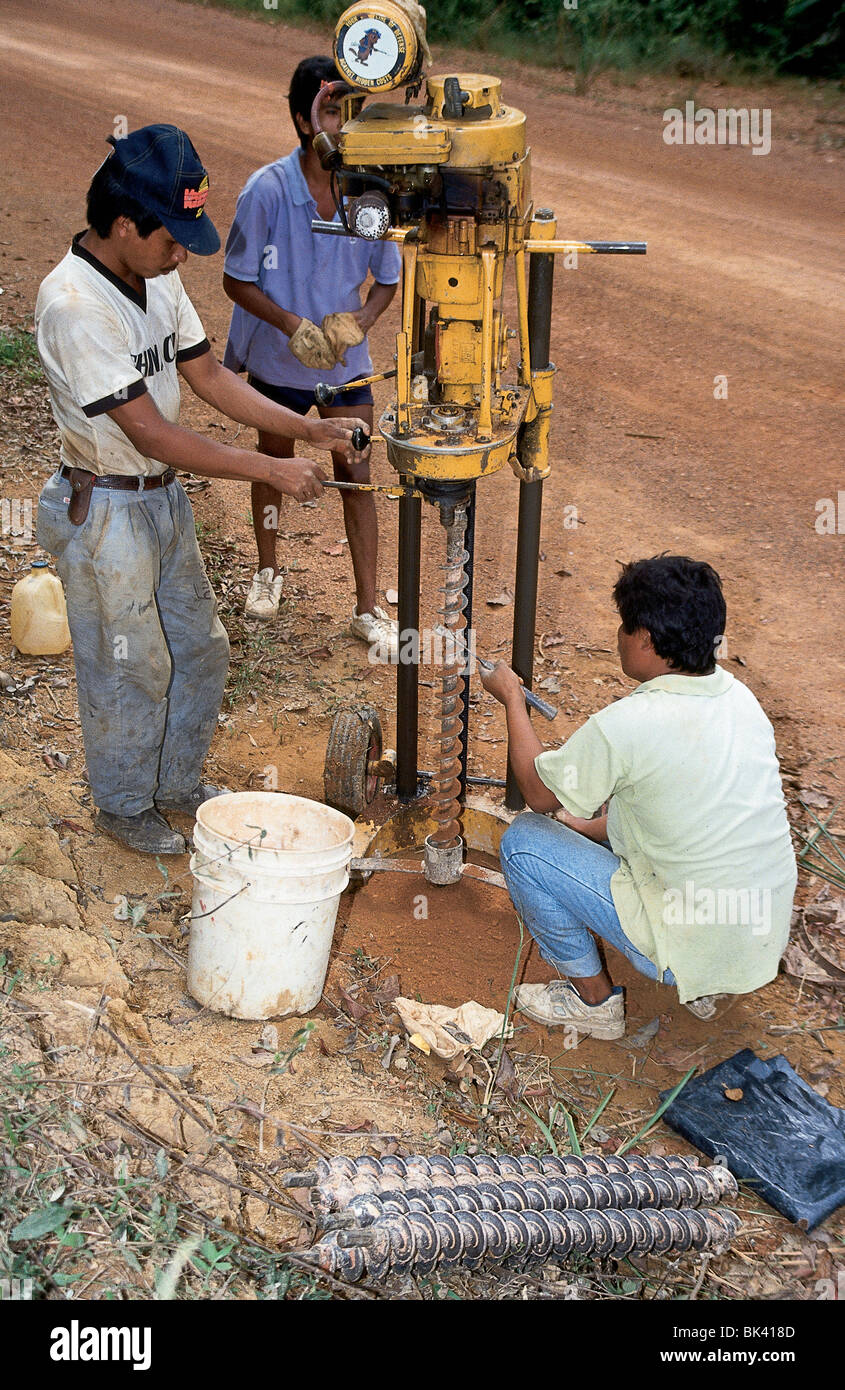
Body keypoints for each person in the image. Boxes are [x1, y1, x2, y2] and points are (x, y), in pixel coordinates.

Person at [35, 124, 368, 857]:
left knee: (201, 649)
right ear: (125, 224)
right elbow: (153, 433)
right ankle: (124, 805)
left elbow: (209, 375)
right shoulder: (74, 305)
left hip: (159, 498)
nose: (181, 253)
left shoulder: (155, 273)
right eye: (172, 238)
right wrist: (269, 469)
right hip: (105, 506)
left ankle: (176, 785)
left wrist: (306, 429)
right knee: (132, 665)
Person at [480, 555, 797, 1040]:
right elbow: (684, 814)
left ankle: (594, 1004)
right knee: (623, 805)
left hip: (691, 933)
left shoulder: (629, 724)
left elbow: (538, 794)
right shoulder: (741, 700)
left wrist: (512, 700)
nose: (619, 636)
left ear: (646, 639)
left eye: (625, 626)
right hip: (757, 936)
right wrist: (588, 828)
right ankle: (709, 983)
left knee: (524, 844)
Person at [222, 55, 402, 654]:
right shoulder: (266, 191)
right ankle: (267, 572)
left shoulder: (370, 194)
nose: (343, 125)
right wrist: (291, 324)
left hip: (345, 367)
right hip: (278, 360)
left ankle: (367, 606)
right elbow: (236, 279)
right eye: (331, 111)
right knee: (273, 461)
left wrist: (361, 321)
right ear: (303, 121)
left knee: (357, 473)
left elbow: (388, 279)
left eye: (352, 112)